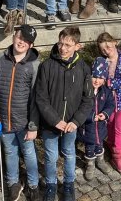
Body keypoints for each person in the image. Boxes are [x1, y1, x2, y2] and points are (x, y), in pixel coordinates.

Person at [32, 26, 93, 201]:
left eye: (68, 44)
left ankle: (68, 185)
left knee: (69, 153)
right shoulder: (47, 66)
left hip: (71, 124)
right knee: (50, 156)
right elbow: (41, 98)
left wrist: (76, 121)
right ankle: (51, 185)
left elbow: (88, 99)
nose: (63, 48)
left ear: (77, 46)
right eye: (61, 43)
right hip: (51, 124)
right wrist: (54, 120)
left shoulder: (84, 68)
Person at [0, 25, 41, 201]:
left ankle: (33, 185)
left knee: (29, 154)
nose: (21, 42)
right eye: (19, 37)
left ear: (31, 45)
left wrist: (33, 125)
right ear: (13, 37)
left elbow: (37, 98)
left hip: (25, 123)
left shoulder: (34, 65)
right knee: (9, 153)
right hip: (3, 120)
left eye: (26, 40)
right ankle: (13, 183)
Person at [97, 32, 121, 173]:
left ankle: (118, 155)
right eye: (103, 49)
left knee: (119, 127)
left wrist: (111, 83)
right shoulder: (101, 61)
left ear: (114, 42)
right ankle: (113, 145)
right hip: (107, 101)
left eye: (108, 47)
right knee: (110, 124)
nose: (107, 51)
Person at [78, 57, 114, 181]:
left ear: (104, 79)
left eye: (100, 78)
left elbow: (110, 104)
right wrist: (91, 117)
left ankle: (100, 161)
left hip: (101, 127)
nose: (97, 80)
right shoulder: (84, 91)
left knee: (99, 145)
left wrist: (105, 114)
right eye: (95, 77)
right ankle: (90, 165)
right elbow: (79, 109)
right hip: (87, 127)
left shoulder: (106, 91)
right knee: (89, 148)